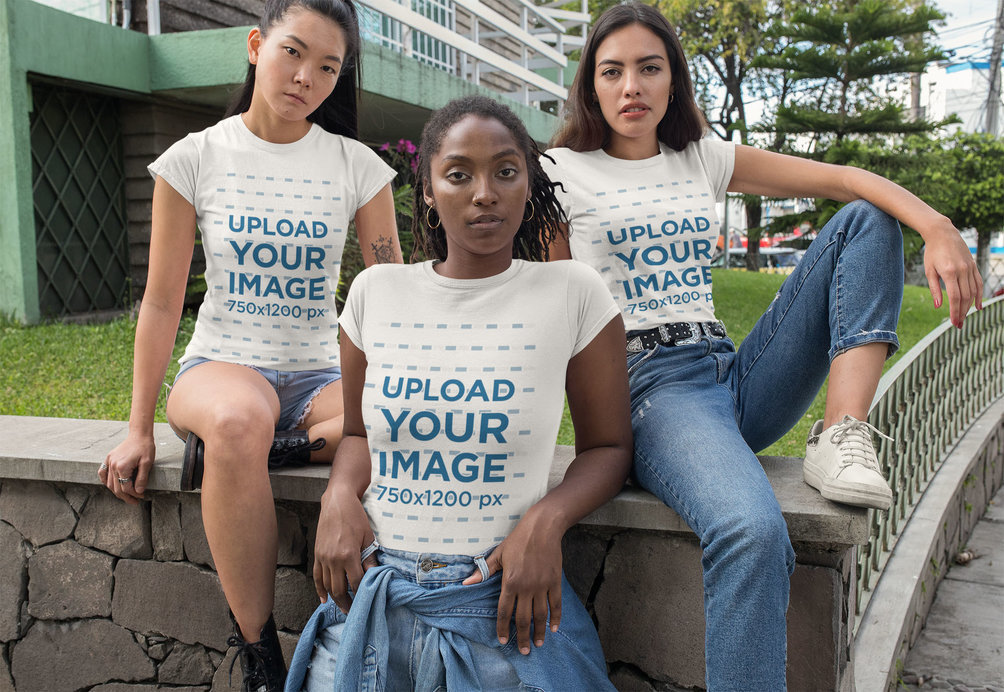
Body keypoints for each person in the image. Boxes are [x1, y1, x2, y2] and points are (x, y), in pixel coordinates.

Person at [540, 3, 983, 690]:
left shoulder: (701, 157)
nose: (632, 86)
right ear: (590, 86)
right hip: (651, 387)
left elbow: (845, 181)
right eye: (613, 71)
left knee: (868, 220)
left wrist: (938, 224)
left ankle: (841, 431)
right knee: (750, 529)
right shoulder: (559, 171)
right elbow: (553, 315)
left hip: (733, 373)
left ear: (674, 82)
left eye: (649, 68)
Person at [283, 95, 632, 691]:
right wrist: (339, 495)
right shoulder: (375, 293)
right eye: (459, 174)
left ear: (529, 180)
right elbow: (362, 432)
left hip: (502, 603)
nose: (484, 193)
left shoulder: (573, 292)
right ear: (427, 188)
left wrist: (547, 521)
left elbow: (607, 447)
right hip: (374, 600)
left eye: (505, 170)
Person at [101, 0, 401, 688]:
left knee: (396, 418)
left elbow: (390, 291)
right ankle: (262, 655)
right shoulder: (196, 156)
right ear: (256, 45)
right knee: (238, 421)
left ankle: (279, 448)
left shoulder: (357, 164)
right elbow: (162, 300)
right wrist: (138, 429)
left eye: (328, 67)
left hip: (319, 372)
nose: (307, 78)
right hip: (224, 368)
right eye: (294, 53)